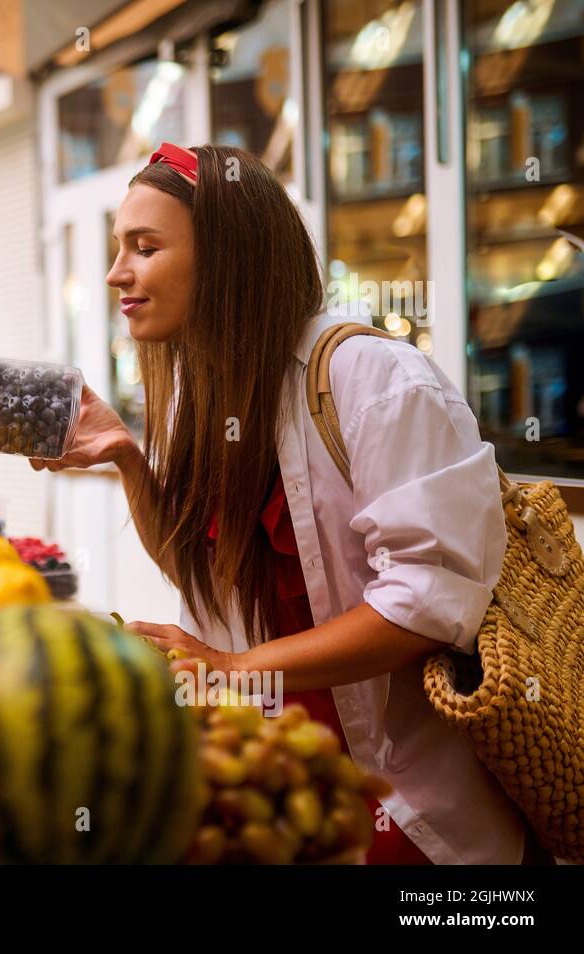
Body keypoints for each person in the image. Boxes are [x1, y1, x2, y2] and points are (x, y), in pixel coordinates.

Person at [32, 142, 546, 864]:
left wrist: (238, 668)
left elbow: (431, 600)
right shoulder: (198, 398)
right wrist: (126, 458)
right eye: (121, 249)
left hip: (404, 808)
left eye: (144, 248)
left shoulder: (371, 377)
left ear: (227, 257)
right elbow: (203, 579)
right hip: (274, 779)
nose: (118, 273)